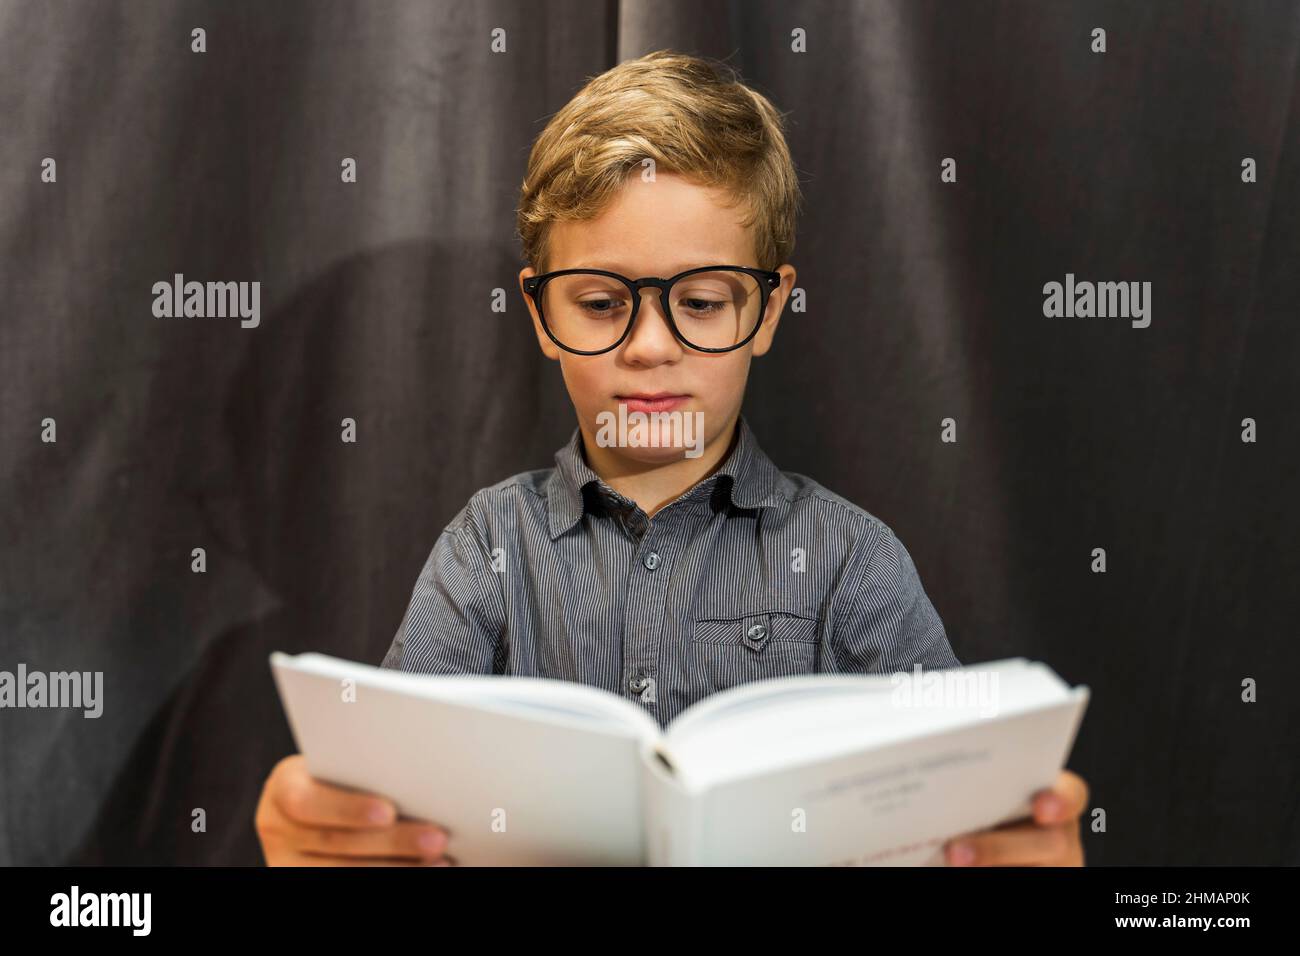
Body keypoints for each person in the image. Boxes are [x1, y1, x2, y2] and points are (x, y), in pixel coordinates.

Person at [255, 50, 1088, 867]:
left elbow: (954, 809)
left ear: (767, 311)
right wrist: (344, 837)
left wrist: (1005, 839)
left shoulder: (851, 561)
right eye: (601, 302)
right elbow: (397, 805)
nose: (651, 347)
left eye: (699, 300)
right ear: (541, 315)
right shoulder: (485, 550)